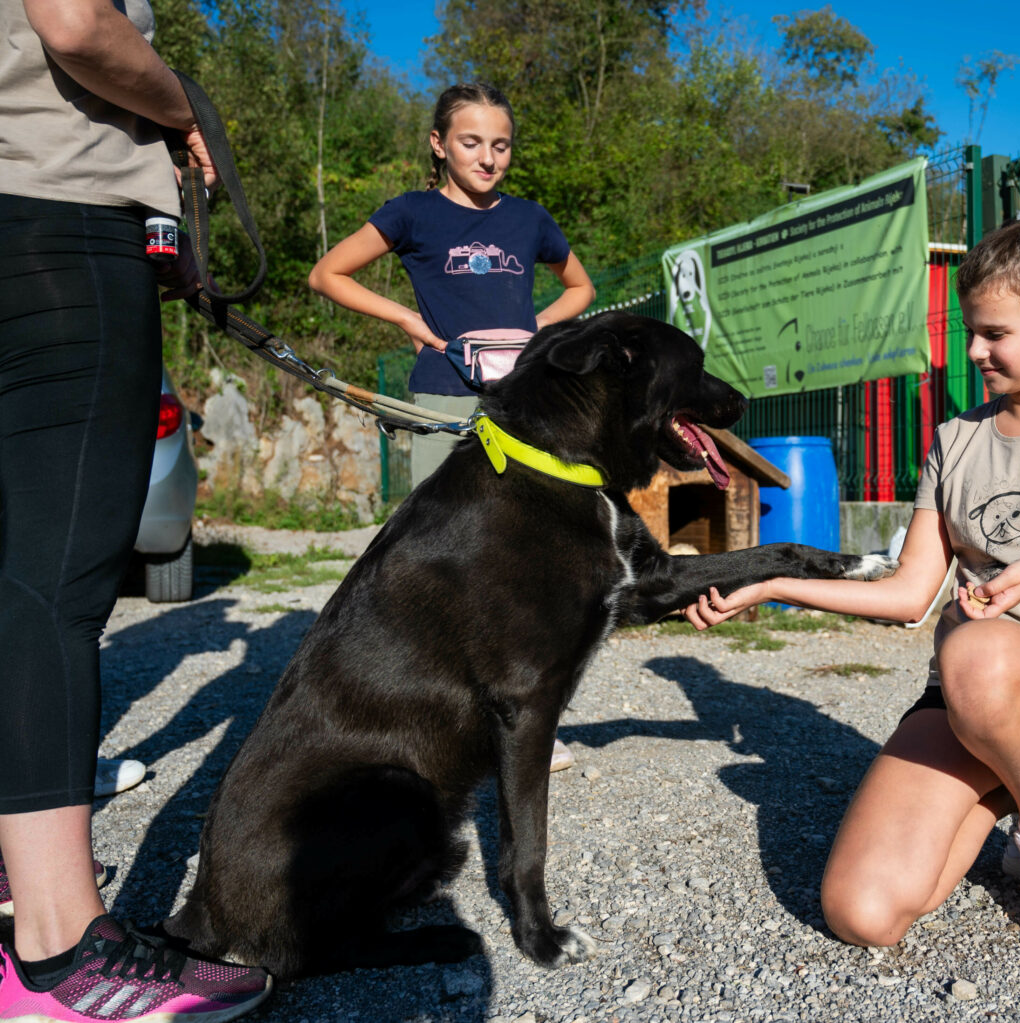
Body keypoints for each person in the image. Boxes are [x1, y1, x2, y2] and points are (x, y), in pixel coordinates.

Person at [684, 203, 1020, 953]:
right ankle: (1015, 796)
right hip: (967, 695)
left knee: (980, 649)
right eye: (971, 333)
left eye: (996, 334)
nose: (977, 351)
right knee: (864, 912)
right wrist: (772, 585)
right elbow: (907, 595)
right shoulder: (957, 441)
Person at [0, 1, 272, 1019]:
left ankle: (14, 881)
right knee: (50, 582)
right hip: (51, 223)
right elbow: (73, 24)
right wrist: (179, 104)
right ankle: (57, 950)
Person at [309, 82, 593, 775]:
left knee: (518, 560)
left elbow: (579, 286)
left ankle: (521, 719)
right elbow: (327, 274)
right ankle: (425, 718)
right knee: (438, 562)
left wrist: (537, 330)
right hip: (439, 402)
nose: (488, 157)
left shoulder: (528, 219)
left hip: (517, 406)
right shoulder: (411, 213)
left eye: (500, 145)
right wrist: (408, 322)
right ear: (440, 144)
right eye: (472, 142)